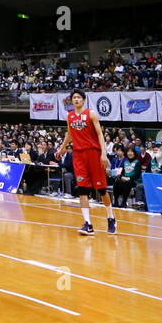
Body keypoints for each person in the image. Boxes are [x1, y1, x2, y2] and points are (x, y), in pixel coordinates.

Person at [55, 91, 115, 236]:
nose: (76, 100)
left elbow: (100, 134)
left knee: (101, 190)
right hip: (79, 155)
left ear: (83, 100)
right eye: (74, 98)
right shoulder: (69, 116)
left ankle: (111, 217)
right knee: (82, 189)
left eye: (78, 98)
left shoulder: (91, 114)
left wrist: (103, 153)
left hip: (93, 154)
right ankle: (88, 224)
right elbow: (69, 134)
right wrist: (62, 149)